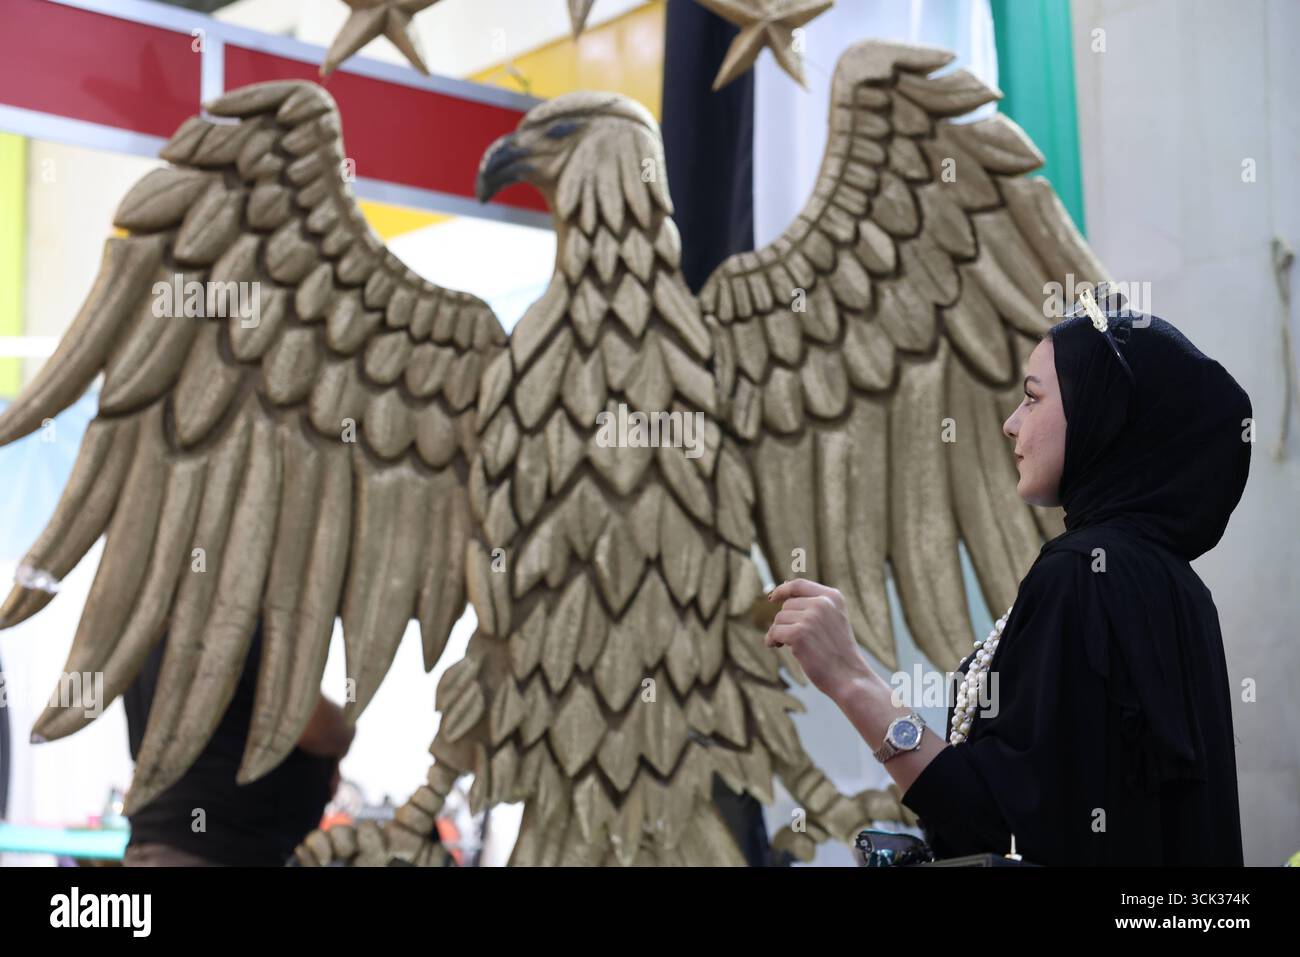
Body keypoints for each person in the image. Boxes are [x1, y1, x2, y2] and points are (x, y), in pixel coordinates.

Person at [766, 293, 1252, 865]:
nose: (1010, 422)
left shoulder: (1083, 574)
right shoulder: (1173, 585)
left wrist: (850, 679)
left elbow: (992, 825)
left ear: (1103, 411)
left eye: (1032, 398)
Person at [121, 622, 354, 866]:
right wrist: (346, 731)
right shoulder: (234, 618)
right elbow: (312, 727)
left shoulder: (157, 628)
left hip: (181, 845)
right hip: (212, 849)